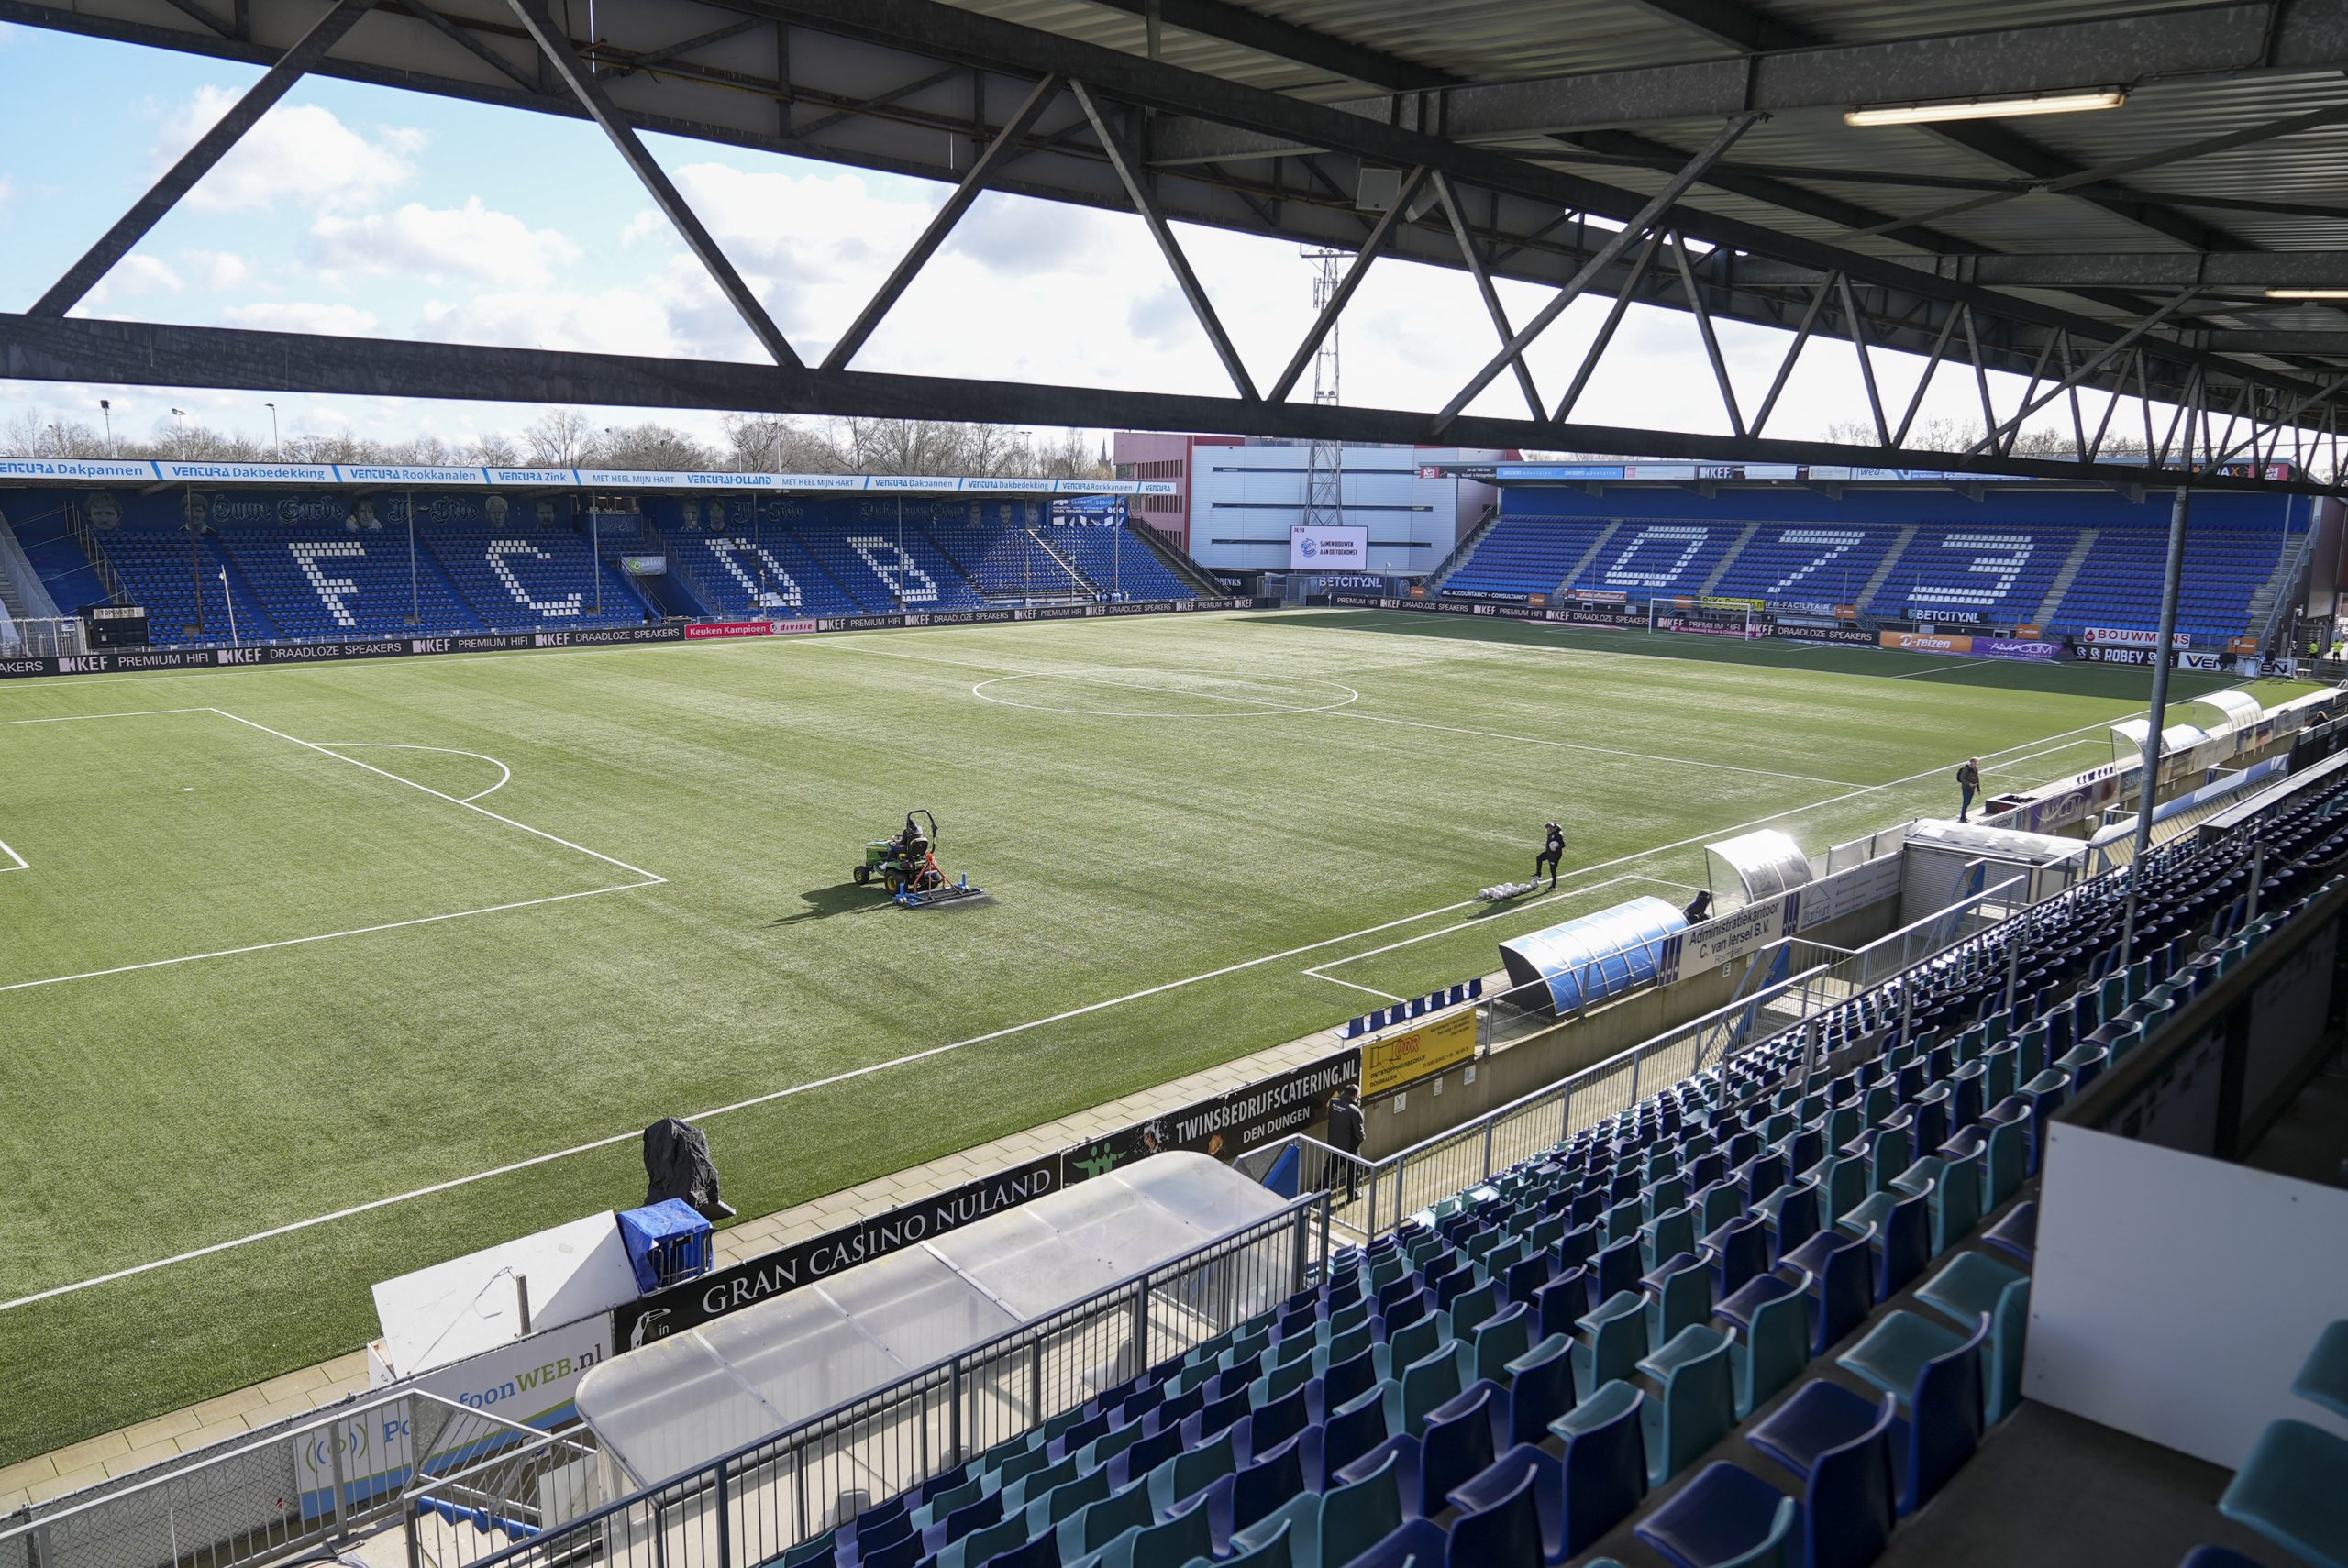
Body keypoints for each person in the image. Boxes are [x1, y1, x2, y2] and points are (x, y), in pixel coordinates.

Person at [1325, 1084, 1366, 1203]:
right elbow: (1360, 1135)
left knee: (1330, 1170)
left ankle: (1320, 1192)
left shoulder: (1333, 1103)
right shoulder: (1355, 1111)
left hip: (1334, 1145)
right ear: (1355, 1096)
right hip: (1349, 1149)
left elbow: (1328, 1114)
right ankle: (1352, 1193)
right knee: (1353, 1172)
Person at [1535, 821, 1566, 889]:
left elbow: (1563, 844)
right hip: (1548, 852)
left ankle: (1553, 886)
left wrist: (1556, 848)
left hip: (1554, 856)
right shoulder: (1550, 834)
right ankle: (1538, 874)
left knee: (1553, 870)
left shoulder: (1558, 835)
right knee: (1539, 858)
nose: (1548, 829)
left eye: (1549, 827)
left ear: (1554, 828)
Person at [1956, 757, 1982, 823]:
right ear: (1972, 762)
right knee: (1966, 802)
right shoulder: (1966, 769)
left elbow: (1977, 779)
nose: (1977, 763)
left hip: (1972, 788)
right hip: (1966, 788)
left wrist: (1978, 789)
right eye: (1976, 762)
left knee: (1968, 802)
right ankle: (1962, 818)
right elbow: (1961, 778)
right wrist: (1969, 784)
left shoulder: (1975, 769)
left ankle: (1963, 816)